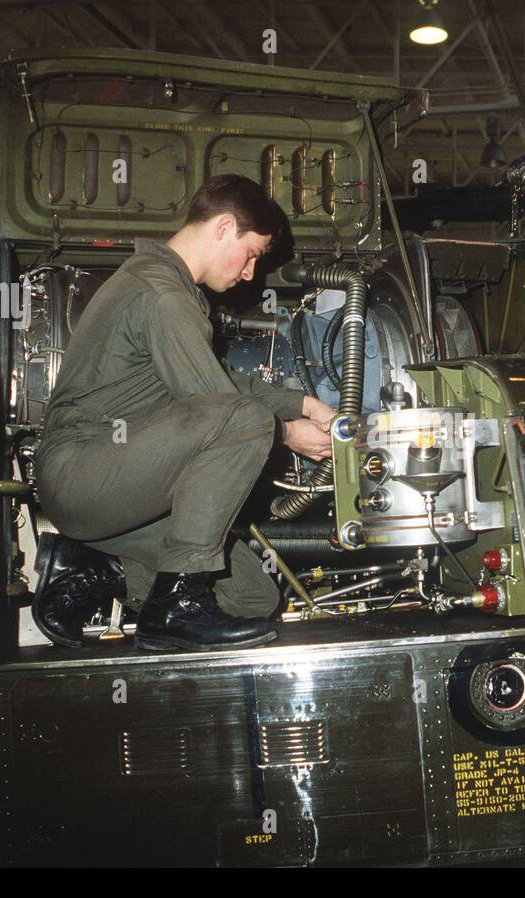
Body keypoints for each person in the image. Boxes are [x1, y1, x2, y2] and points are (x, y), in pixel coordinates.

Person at [32, 174, 335, 652]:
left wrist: (301, 404)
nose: (250, 273)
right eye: (252, 254)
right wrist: (287, 433)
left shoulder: (162, 285)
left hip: (120, 486)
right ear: (223, 228)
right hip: (83, 476)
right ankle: (172, 611)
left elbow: (218, 383)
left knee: (253, 597)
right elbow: (224, 411)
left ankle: (97, 563)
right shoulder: (162, 295)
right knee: (246, 422)